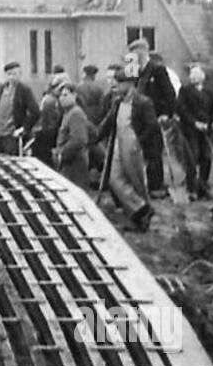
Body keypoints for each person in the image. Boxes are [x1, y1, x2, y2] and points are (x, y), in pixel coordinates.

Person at [98, 66, 157, 231]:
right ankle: (141, 208)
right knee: (114, 179)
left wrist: (140, 141)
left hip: (134, 146)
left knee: (136, 182)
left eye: (120, 83)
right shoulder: (118, 102)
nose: (116, 86)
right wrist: (95, 137)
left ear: (130, 84)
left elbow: (152, 125)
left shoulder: (142, 102)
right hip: (119, 143)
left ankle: (139, 220)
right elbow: (108, 123)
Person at [129, 38, 178, 197]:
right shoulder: (136, 72)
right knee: (140, 152)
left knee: (154, 153)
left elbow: (169, 94)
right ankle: (142, 185)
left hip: (155, 118)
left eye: (136, 52)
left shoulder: (157, 70)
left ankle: (156, 187)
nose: (133, 56)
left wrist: (166, 114)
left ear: (144, 51)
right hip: (139, 119)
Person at [177, 65, 213, 199]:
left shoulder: (209, 92)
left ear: (203, 77)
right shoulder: (185, 91)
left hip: (206, 131)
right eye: (191, 74)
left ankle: (203, 186)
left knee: (206, 158)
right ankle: (192, 189)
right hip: (191, 131)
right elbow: (182, 110)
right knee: (192, 158)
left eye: (196, 74)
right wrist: (195, 123)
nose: (192, 76)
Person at [0, 62, 40, 155]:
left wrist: (24, 129)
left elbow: (35, 112)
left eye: (14, 74)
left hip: (10, 136)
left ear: (20, 74)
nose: (12, 77)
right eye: (9, 74)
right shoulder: (0, 89)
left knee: (10, 163)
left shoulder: (24, 90)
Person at [53, 83, 93, 189]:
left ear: (74, 95)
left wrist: (62, 153)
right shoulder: (68, 113)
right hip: (69, 163)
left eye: (65, 95)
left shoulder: (75, 113)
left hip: (75, 163)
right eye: (60, 96)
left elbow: (79, 139)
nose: (62, 98)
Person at [30, 82, 62, 167]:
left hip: (42, 132)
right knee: (46, 160)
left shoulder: (47, 99)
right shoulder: (51, 101)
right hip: (48, 132)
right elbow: (51, 119)